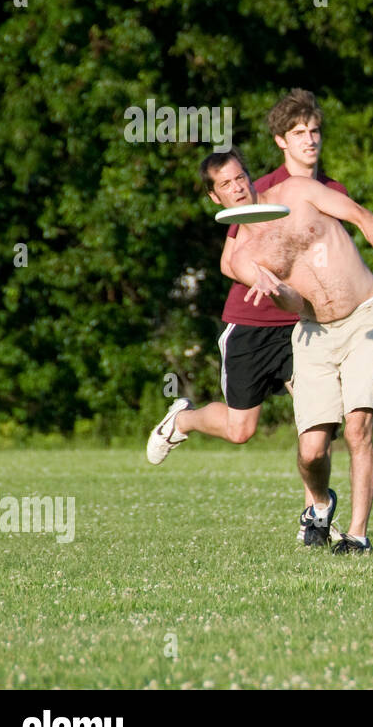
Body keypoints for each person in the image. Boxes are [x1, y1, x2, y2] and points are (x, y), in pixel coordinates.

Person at [159, 147, 373, 554]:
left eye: (240, 176)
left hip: (366, 316)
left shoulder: (297, 191)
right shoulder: (244, 256)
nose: (237, 187)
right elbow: (295, 306)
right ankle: (319, 503)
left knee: (356, 427)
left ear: (250, 175)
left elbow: (362, 216)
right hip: (314, 332)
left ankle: (358, 536)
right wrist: (279, 294)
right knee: (312, 451)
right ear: (216, 198)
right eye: (225, 184)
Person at [146, 90, 352, 547]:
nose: (309, 140)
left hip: (304, 328)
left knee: (313, 424)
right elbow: (226, 262)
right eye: (300, 133)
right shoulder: (266, 191)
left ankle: (315, 514)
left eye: (315, 131)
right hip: (252, 327)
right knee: (241, 431)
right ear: (282, 141)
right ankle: (182, 421)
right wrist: (259, 275)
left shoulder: (332, 191)